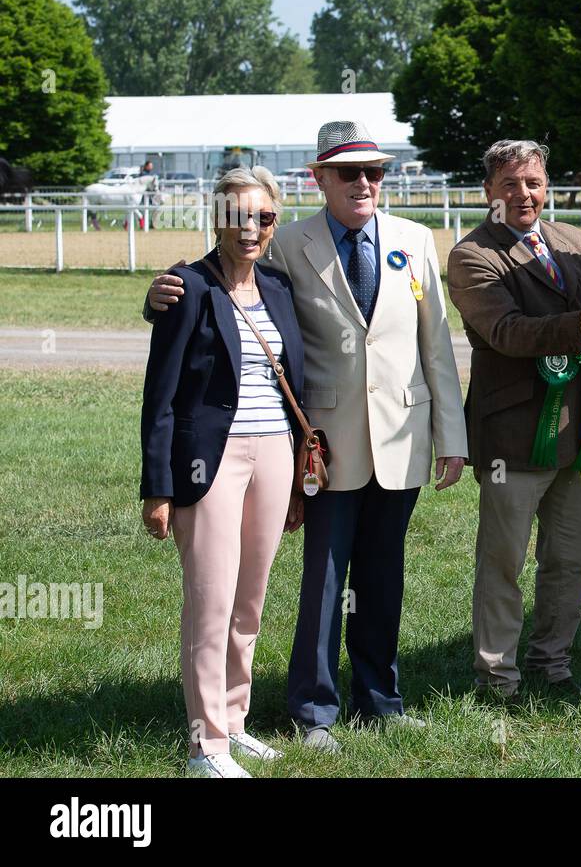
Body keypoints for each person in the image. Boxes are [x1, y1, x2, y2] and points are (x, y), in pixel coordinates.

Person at [146, 121, 467, 752]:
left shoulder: (415, 239)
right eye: (348, 172)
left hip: (401, 439)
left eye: (374, 171)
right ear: (319, 178)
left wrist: (450, 437)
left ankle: (380, 697)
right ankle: (313, 708)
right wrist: (157, 295)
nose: (364, 183)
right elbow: (217, 286)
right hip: (322, 446)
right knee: (323, 579)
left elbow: (437, 346)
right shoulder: (287, 240)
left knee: (383, 577)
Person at [446, 139, 581, 702]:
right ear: (489, 193)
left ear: (547, 185)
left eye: (532, 182)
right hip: (511, 438)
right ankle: (496, 676)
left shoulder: (574, 243)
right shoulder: (472, 256)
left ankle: (553, 662)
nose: (523, 194)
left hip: (575, 436)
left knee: (570, 559)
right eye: (509, 184)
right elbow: (507, 333)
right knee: (503, 563)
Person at [140, 166, 303, 777]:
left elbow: (297, 383)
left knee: (249, 602)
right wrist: (157, 487)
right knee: (210, 602)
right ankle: (203, 745)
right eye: (238, 216)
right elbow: (160, 396)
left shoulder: (280, 289)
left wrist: (294, 476)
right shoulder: (186, 288)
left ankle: (234, 722)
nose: (251, 229)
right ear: (217, 218)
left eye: (263, 217)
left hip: (275, 456)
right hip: (208, 462)